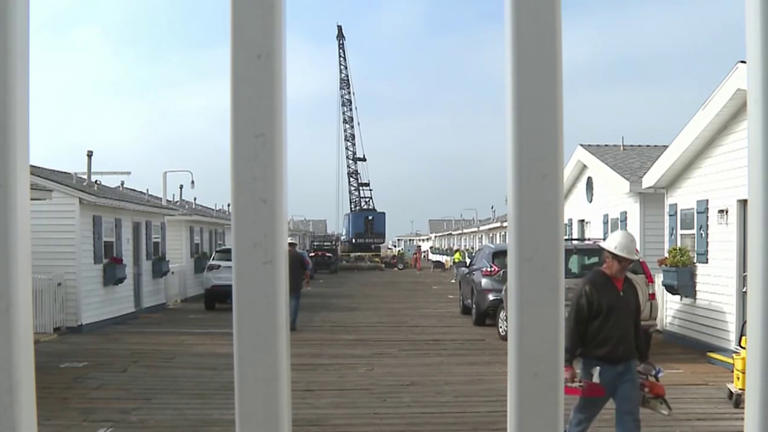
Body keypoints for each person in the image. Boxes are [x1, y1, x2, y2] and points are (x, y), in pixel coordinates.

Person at [564, 230, 648, 432]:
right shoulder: (590, 287)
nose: (625, 267)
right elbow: (575, 325)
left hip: (627, 367)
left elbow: (634, 324)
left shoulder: (629, 287)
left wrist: (644, 359)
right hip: (597, 368)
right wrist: (567, 363)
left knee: (630, 420)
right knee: (583, 415)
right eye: (622, 262)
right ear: (608, 258)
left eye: (628, 263)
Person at [288, 237, 309, 332]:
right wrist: (307, 280)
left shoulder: (280, 255)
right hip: (295, 284)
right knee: (294, 304)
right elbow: (306, 268)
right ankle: (292, 324)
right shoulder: (299, 256)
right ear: (295, 245)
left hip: (281, 285)